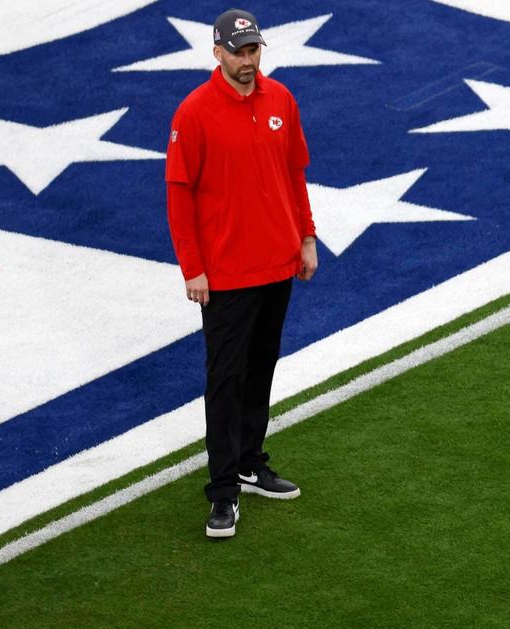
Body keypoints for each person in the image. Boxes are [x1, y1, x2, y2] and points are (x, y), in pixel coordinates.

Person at [165, 8, 318, 539]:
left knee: (261, 368)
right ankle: (222, 491)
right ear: (218, 53)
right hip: (226, 276)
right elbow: (179, 196)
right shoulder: (194, 112)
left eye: (253, 50)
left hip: (277, 265)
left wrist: (306, 236)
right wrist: (193, 268)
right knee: (225, 381)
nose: (248, 60)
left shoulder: (281, 100)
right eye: (239, 52)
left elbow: (293, 173)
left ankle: (251, 462)